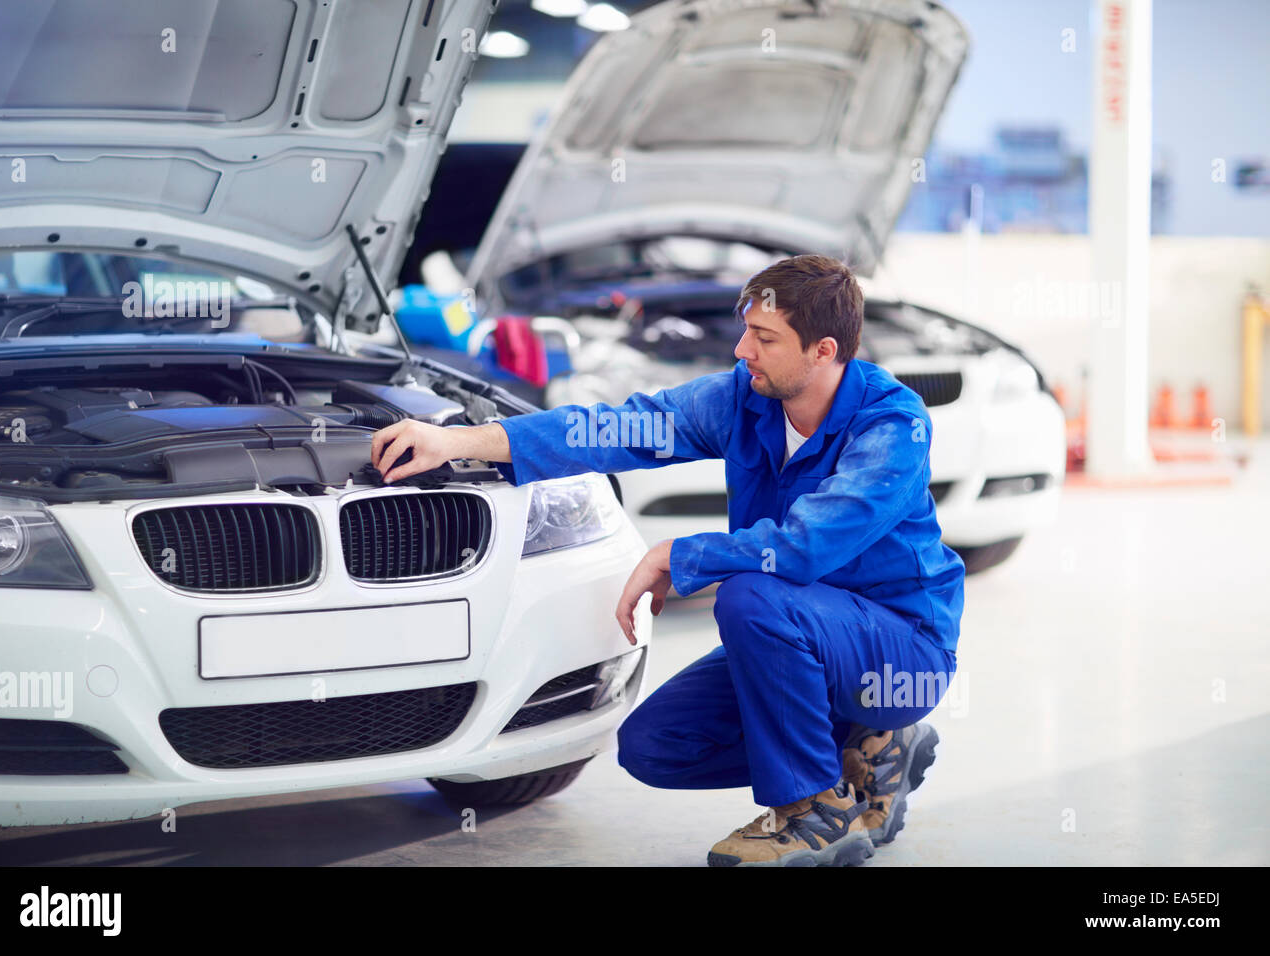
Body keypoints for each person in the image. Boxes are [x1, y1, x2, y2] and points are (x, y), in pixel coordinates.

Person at [370, 254, 965, 867]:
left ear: (823, 350)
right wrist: (458, 440)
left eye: (764, 338)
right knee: (656, 745)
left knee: (749, 595)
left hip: (900, 647)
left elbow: (809, 545)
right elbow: (617, 429)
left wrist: (681, 556)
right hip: (800, 635)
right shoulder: (747, 400)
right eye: (745, 331)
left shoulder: (892, 425)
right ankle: (865, 746)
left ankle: (818, 810)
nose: (742, 351)